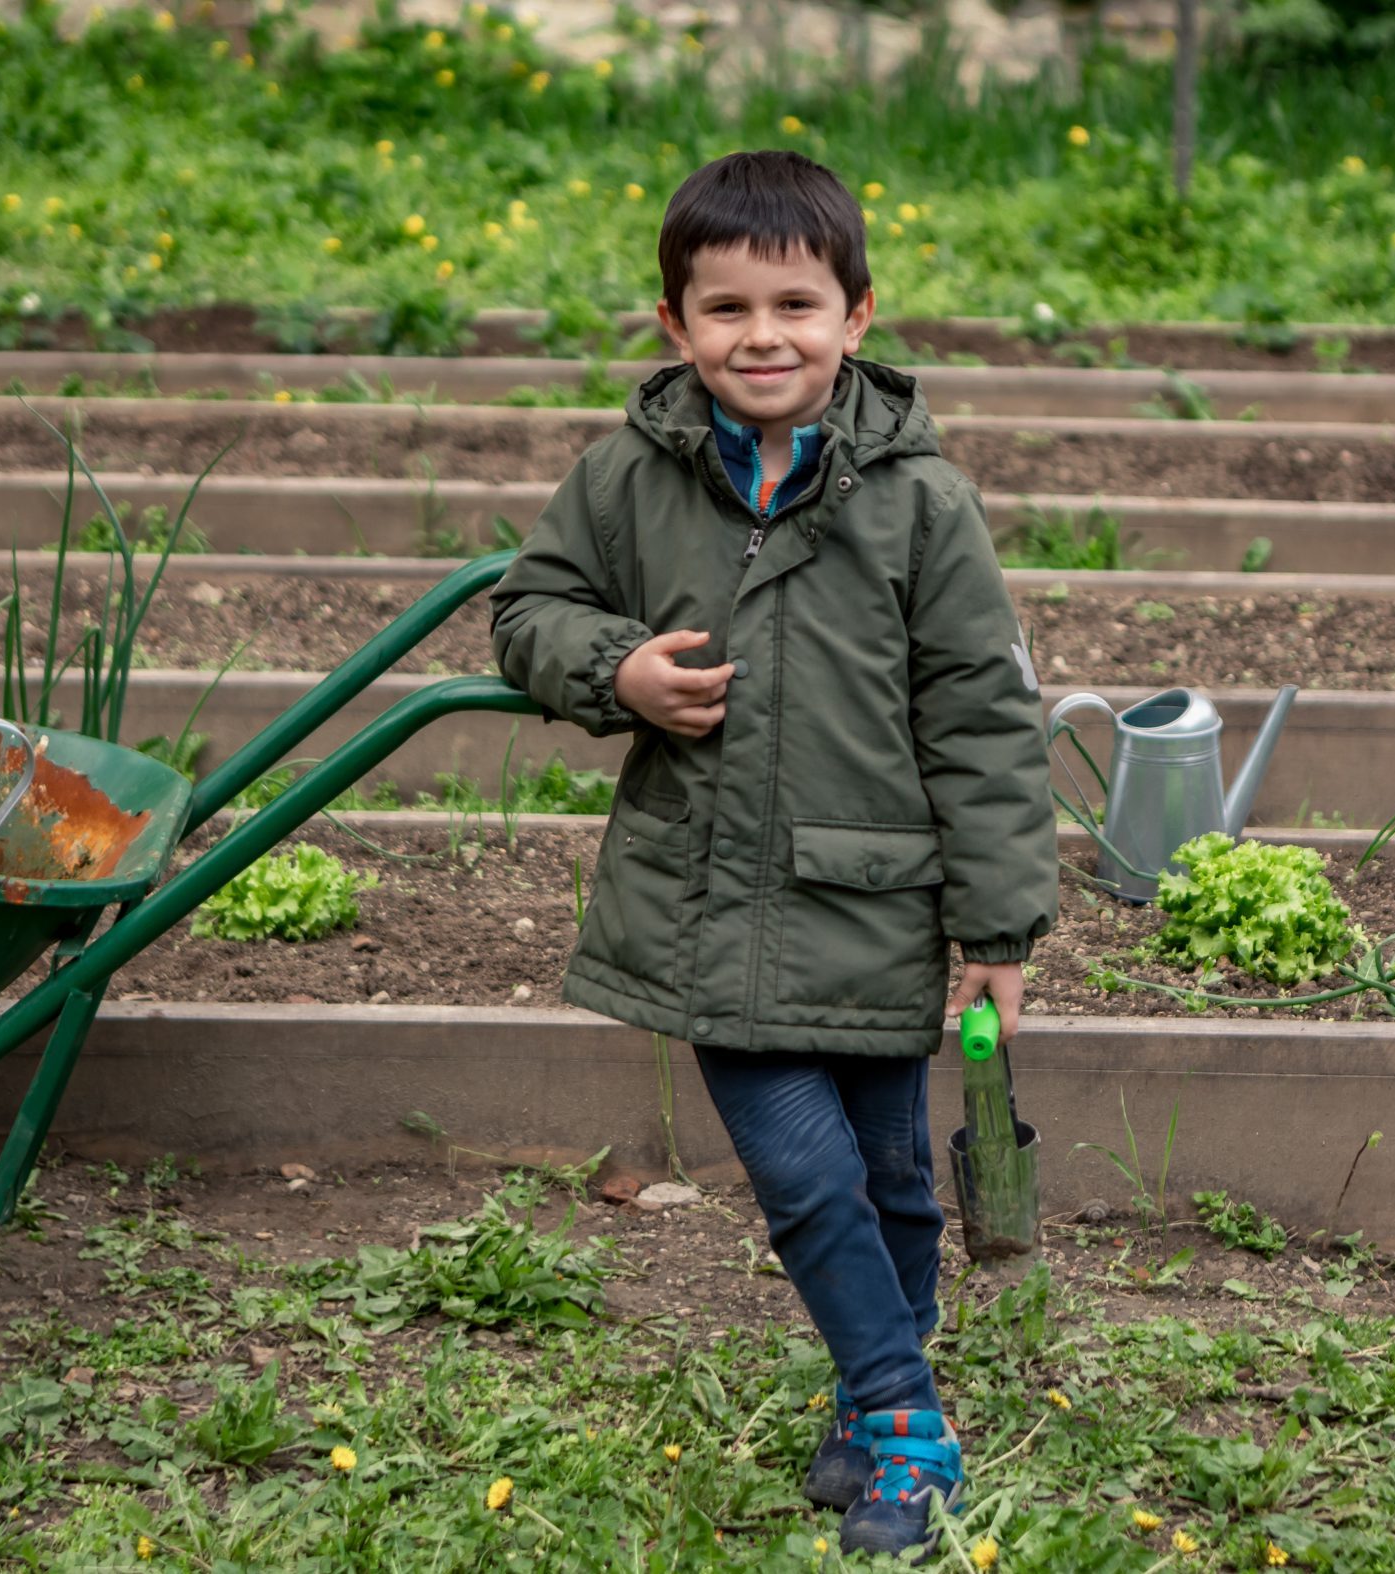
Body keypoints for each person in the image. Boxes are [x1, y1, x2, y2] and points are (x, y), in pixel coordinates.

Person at [488, 148, 1055, 1557]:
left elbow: (983, 715)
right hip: (707, 909)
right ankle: (905, 1414)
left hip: (877, 901)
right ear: (673, 325)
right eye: (726, 308)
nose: (762, 336)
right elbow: (528, 607)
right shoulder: (631, 477)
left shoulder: (921, 503)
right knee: (806, 1179)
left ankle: (872, 1393)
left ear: (857, 317)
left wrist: (997, 935)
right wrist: (614, 668)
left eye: (795, 304)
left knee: (896, 1178)